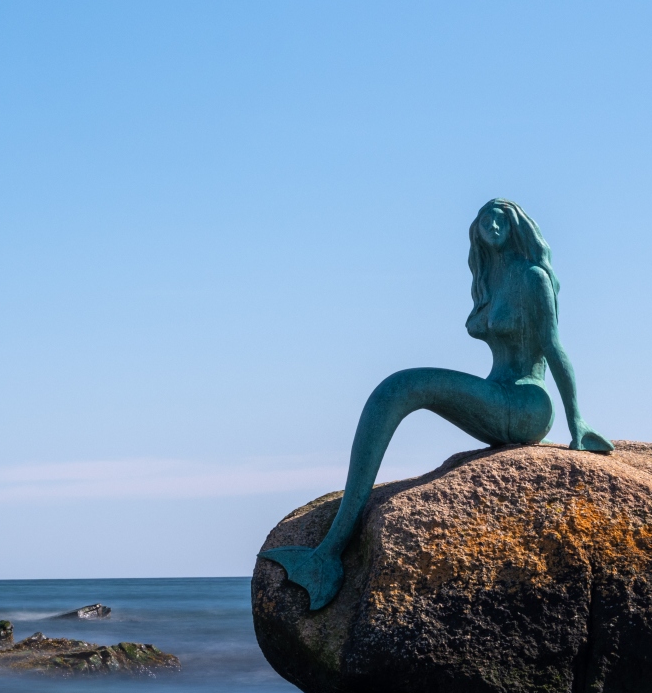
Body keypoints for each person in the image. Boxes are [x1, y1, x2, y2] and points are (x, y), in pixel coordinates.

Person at [259, 199, 612, 609]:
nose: (493, 226)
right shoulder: (492, 280)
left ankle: (329, 551)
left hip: (526, 404)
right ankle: (328, 549)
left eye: (502, 220)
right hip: (498, 394)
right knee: (395, 391)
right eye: (486, 220)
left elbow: (553, 347)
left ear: (516, 228)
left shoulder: (532, 277)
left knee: (402, 386)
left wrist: (578, 424)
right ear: (476, 229)